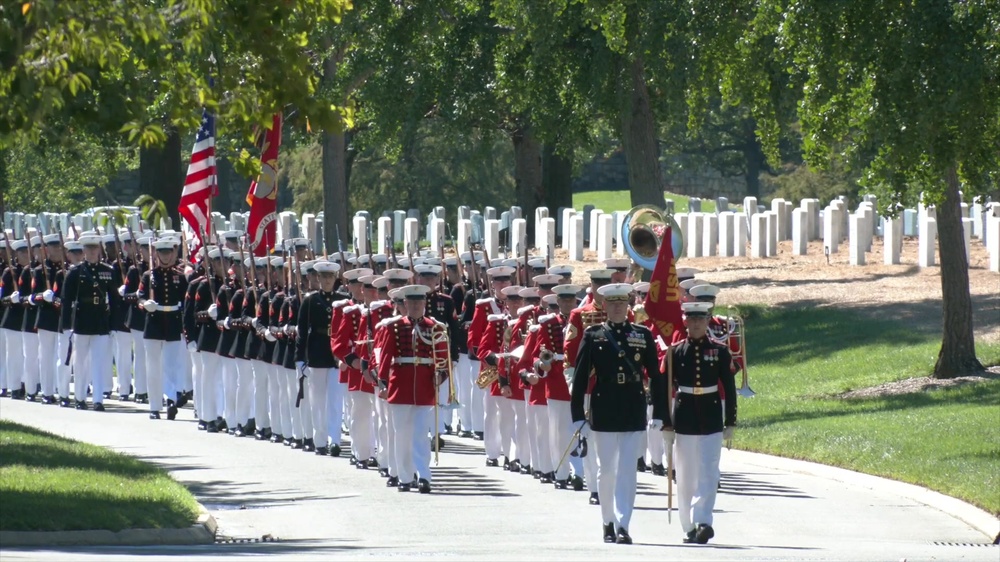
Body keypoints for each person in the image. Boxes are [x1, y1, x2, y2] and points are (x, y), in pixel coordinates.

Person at [570, 283, 666, 545]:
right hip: (604, 409)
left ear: (628, 306)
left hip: (632, 408)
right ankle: (607, 520)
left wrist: (659, 411)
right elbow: (579, 379)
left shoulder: (642, 334)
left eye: (622, 304)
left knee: (627, 470)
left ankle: (624, 523)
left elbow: (655, 377)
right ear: (604, 306)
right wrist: (578, 416)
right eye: (612, 303)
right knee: (606, 470)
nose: (617, 308)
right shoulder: (593, 335)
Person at [664, 301, 737, 545]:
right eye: (691, 319)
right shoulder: (675, 351)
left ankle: (704, 520)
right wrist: (665, 421)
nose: (695, 323)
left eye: (700, 319)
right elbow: (665, 387)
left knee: (709, 470)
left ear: (707, 321)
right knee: (685, 474)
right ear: (685, 321)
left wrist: (731, 420)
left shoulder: (720, 350)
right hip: (684, 416)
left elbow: (728, 386)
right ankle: (688, 525)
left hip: (711, 414)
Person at [376, 284, 450, 494]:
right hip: (400, 384)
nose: (416, 306)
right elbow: (386, 357)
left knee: (420, 433)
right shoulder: (394, 326)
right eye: (412, 302)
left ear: (425, 304)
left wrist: (441, 377)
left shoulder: (435, 327)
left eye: (420, 302)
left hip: (425, 385)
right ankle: (404, 476)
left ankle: (424, 475)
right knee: (402, 434)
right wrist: (383, 382)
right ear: (405, 304)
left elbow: (443, 359)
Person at [60, 235, 122, 411]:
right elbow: (67, 300)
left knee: (99, 362)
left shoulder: (108, 271)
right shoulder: (75, 272)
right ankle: (80, 397)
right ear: (84, 251)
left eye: (95, 248)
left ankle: (98, 400)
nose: (92, 251)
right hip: (81, 321)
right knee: (80, 362)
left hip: (101, 321)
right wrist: (66, 325)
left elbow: (115, 301)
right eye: (89, 248)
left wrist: (114, 325)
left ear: (99, 250)